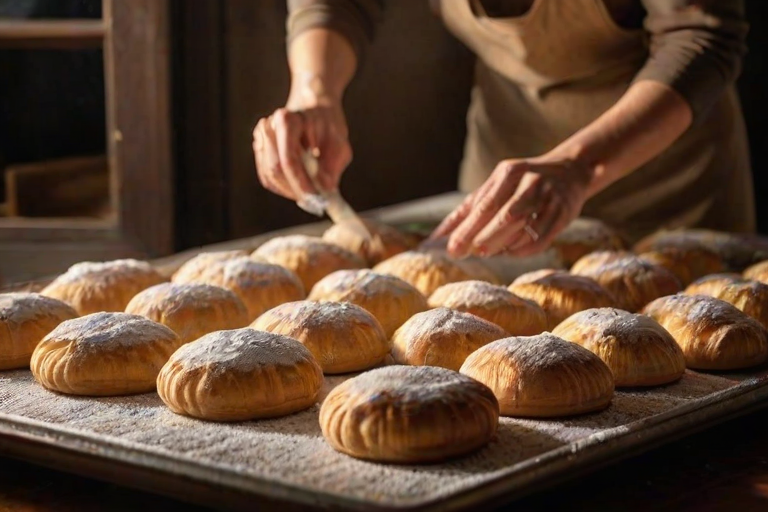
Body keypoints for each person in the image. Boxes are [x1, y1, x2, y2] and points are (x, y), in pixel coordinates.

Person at [253, 0, 753, 259]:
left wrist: (578, 166)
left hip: (667, 175)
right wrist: (314, 92)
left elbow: (699, 36)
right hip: (501, 172)